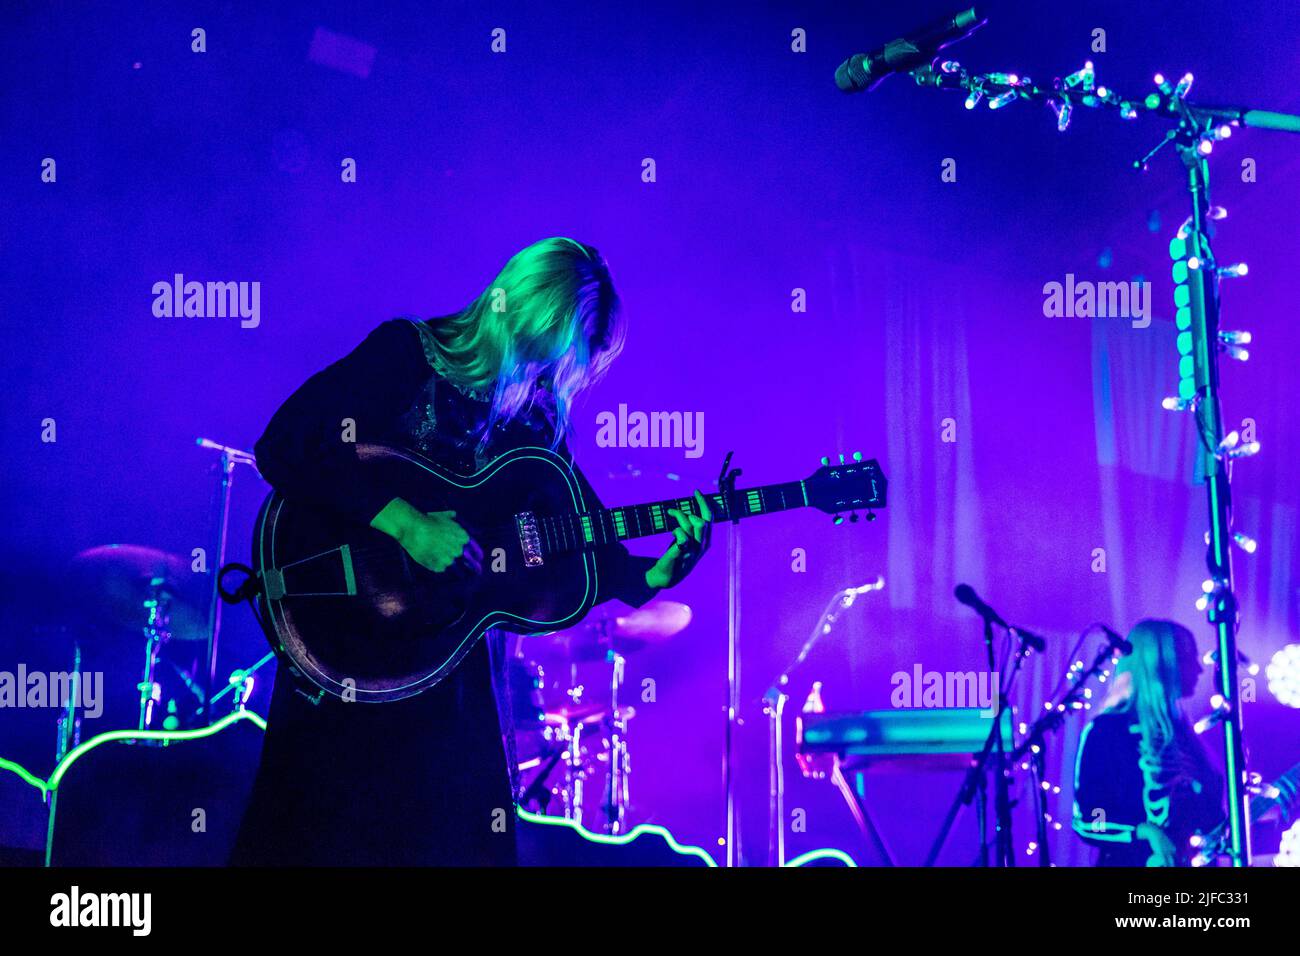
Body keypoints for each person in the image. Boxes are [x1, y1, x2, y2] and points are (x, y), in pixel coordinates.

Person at [230, 238, 712, 865]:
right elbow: (285, 444)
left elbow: (588, 542)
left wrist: (653, 573)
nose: (551, 375)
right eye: (549, 351)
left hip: (448, 682)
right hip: (346, 649)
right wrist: (405, 522)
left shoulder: (534, 424)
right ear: (524, 313)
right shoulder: (405, 355)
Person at [1072, 619, 1223, 866]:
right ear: (1162, 664)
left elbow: (1211, 821)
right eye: (1188, 658)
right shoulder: (1107, 732)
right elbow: (1090, 818)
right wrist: (1143, 831)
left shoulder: (1189, 736)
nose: (1199, 669)